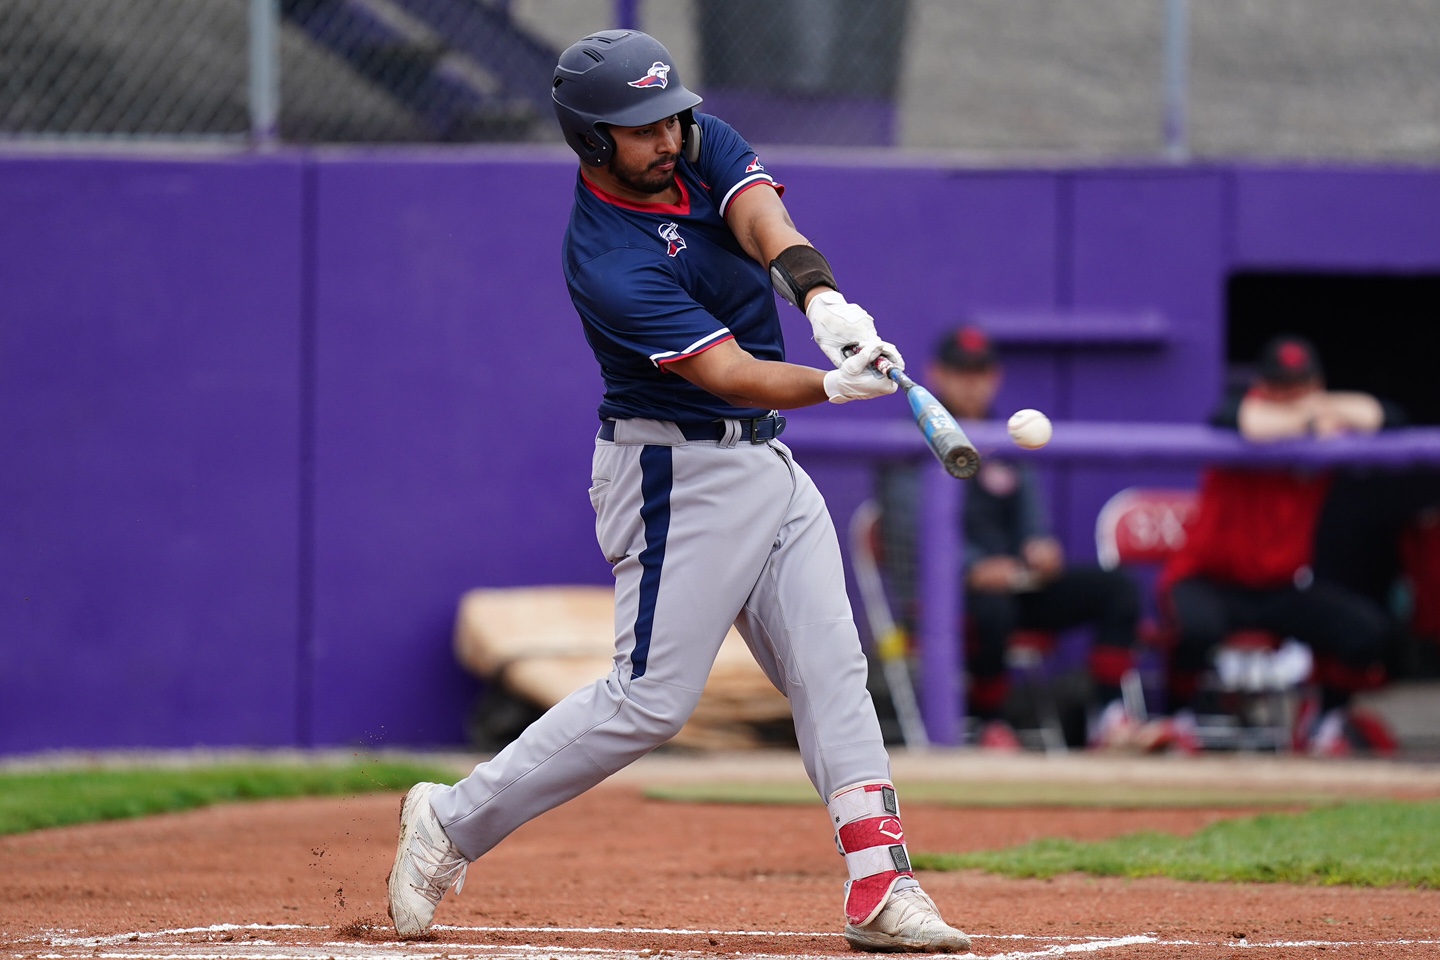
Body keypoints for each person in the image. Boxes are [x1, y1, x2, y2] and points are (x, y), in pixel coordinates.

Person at [385, 30, 970, 952]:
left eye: (669, 115)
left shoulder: (694, 140)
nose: (667, 136)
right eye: (640, 128)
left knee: (833, 672)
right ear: (592, 141)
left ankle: (881, 889)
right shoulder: (607, 258)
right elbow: (731, 372)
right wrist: (831, 384)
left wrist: (821, 302)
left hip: (765, 464)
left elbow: (762, 219)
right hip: (673, 473)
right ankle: (450, 822)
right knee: (650, 701)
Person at [877, 326, 1170, 751]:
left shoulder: (1007, 433)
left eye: (981, 371)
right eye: (961, 372)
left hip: (1014, 585)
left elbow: (1031, 516)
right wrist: (973, 567)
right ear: (935, 374)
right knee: (993, 610)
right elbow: (912, 526)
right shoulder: (908, 440)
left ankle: (1110, 718)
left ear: (995, 376)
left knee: (1117, 589)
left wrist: (1038, 547)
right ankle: (988, 723)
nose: (972, 382)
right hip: (945, 594)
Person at [1161, 334, 1402, 755]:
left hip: (1280, 586)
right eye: (1281, 385)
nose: (1290, 393)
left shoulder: (1328, 415)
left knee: (1364, 630)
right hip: (1209, 578)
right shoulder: (1243, 410)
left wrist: (1321, 410)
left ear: (1316, 384)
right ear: (1264, 384)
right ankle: (1180, 718)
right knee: (1196, 629)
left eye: (1300, 384)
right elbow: (1235, 419)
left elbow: (1393, 419)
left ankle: (1326, 721)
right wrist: (1308, 422)